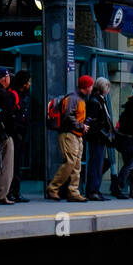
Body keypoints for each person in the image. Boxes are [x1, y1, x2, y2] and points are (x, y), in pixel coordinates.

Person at [46, 74, 91, 202]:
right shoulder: (73, 99)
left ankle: (73, 191)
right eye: (91, 86)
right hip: (69, 134)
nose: (92, 88)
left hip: (76, 135)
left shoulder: (78, 98)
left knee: (76, 164)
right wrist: (81, 126)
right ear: (86, 87)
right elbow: (67, 116)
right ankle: (53, 188)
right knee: (71, 162)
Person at [0, 68, 17, 204]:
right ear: (5, 79)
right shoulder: (7, 95)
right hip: (3, 134)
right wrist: (10, 133)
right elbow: (8, 117)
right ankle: (1, 195)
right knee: (6, 165)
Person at [84, 77, 115, 201]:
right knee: (96, 164)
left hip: (99, 138)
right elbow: (93, 122)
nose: (108, 90)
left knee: (98, 163)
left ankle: (95, 189)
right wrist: (104, 133)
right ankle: (93, 190)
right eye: (107, 87)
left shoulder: (99, 100)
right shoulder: (95, 101)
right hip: (97, 138)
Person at [8, 70, 33, 202]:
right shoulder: (16, 95)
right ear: (23, 83)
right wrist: (18, 132)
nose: (29, 83)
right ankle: (12, 191)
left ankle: (15, 191)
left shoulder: (21, 95)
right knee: (14, 164)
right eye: (28, 81)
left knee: (16, 164)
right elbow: (14, 116)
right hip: (16, 134)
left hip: (19, 134)